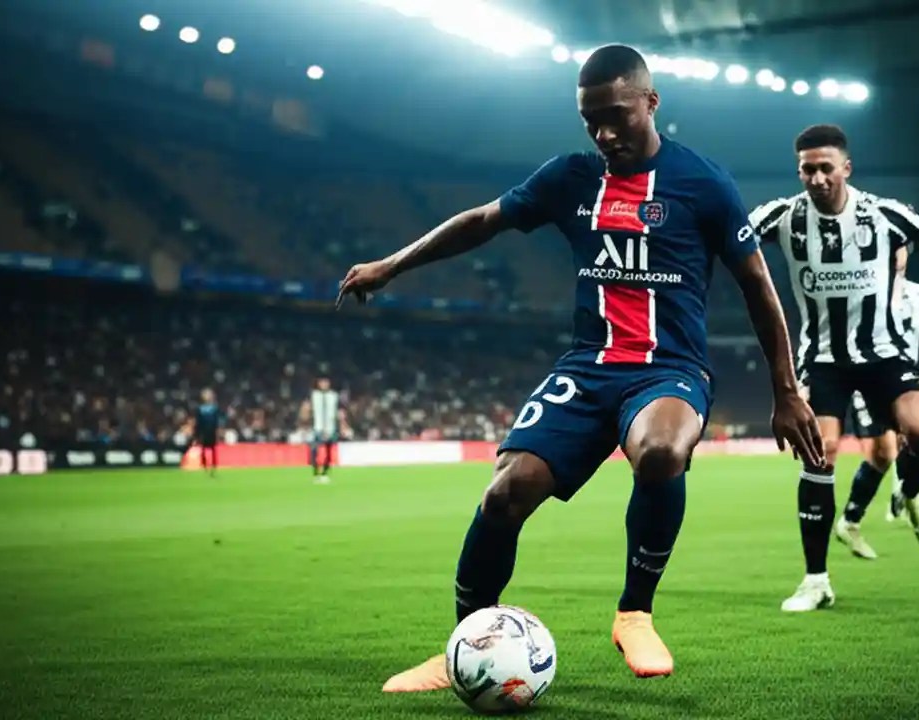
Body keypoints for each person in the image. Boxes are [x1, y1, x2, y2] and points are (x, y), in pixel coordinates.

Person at [335, 45, 822, 689]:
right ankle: (464, 645)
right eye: (590, 119)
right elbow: (483, 221)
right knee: (506, 491)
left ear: (651, 102)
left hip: (667, 368)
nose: (604, 133)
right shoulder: (570, 178)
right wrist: (391, 265)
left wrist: (786, 390)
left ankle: (635, 612)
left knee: (660, 452)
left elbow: (759, 286)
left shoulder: (703, 184)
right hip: (588, 368)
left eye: (617, 115)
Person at [750, 124, 919, 612]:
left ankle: (910, 492)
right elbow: (726, 241)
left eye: (824, 168)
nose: (815, 178)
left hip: (882, 354)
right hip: (823, 360)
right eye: (806, 170)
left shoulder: (883, 214)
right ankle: (816, 581)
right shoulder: (780, 216)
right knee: (823, 454)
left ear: (846, 168)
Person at [835, 279, 919, 559]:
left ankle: (908, 495)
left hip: (905, 381)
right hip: (867, 376)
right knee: (884, 452)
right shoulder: (861, 288)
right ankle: (852, 522)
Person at [302, 376, 342, 484]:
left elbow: (339, 411)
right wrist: (305, 419)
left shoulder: (333, 395)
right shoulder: (313, 395)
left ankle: (325, 472)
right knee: (314, 450)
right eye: (322, 382)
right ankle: (316, 472)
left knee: (328, 451)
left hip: (330, 427)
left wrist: (341, 423)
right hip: (317, 427)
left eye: (326, 382)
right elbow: (306, 408)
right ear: (318, 383)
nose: (324, 384)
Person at [192, 388, 222, 477]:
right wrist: (197, 434)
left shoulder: (214, 408)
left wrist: (218, 431)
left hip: (211, 430)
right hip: (204, 431)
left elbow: (217, 421)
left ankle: (213, 466)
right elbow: (198, 422)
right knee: (204, 448)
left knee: (213, 449)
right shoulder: (200, 409)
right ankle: (204, 465)